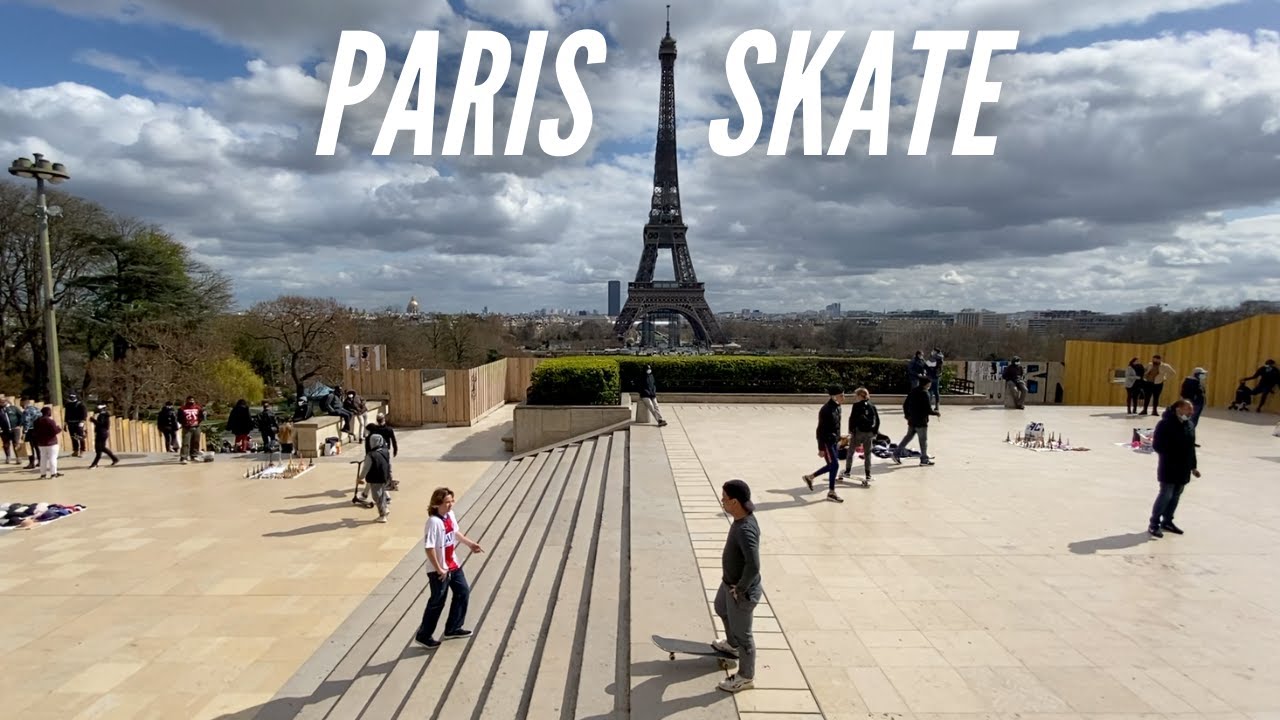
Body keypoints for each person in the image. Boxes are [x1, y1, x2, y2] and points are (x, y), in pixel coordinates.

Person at [415, 487, 483, 648]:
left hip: (453, 564)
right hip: (439, 569)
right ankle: (424, 635)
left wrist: (470, 544)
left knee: (463, 592)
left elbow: (455, 533)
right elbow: (429, 548)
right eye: (447, 502)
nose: (451, 505)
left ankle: (453, 628)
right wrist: (439, 568)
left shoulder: (449, 515)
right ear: (437, 504)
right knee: (437, 601)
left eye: (452, 501)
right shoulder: (433, 522)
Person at [713, 479, 761, 693]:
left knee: (744, 637)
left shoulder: (745, 529)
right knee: (720, 608)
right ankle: (732, 646)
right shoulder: (742, 519)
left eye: (724, 498)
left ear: (734, 502)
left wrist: (740, 588)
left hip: (740, 592)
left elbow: (754, 565)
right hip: (729, 583)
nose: (721, 501)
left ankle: (745, 677)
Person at [1148, 399, 1199, 537]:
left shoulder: (1190, 425)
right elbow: (1157, 446)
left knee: (1176, 496)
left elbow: (1191, 448)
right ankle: (1154, 524)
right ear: (1178, 409)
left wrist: (1193, 466)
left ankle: (1167, 521)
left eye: (1192, 409)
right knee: (1166, 494)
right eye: (1188, 409)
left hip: (1184, 468)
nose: (1191, 412)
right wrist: (1173, 454)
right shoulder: (1165, 424)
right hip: (1169, 466)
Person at [802, 385, 845, 503]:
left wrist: (840, 438)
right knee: (834, 465)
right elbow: (820, 430)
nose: (843, 398)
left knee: (832, 466)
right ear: (834, 397)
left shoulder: (838, 407)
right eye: (841, 395)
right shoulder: (826, 410)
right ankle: (830, 491)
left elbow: (837, 425)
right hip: (827, 442)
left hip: (834, 441)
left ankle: (811, 478)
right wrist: (821, 448)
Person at [895, 374, 939, 466]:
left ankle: (896, 453)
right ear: (926, 384)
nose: (930, 385)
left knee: (908, 437)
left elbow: (905, 405)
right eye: (929, 383)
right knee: (923, 440)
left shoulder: (913, 391)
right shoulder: (925, 393)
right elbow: (927, 409)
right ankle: (924, 459)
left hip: (912, 420)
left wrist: (907, 415)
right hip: (921, 421)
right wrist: (936, 413)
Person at [841, 387, 880, 485]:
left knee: (851, 452)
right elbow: (877, 420)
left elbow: (852, 418)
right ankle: (868, 474)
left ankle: (847, 471)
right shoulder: (872, 405)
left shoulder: (856, 405)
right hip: (869, 433)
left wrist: (851, 430)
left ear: (860, 396)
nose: (855, 397)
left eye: (856, 395)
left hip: (858, 433)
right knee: (867, 454)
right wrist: (874, 432)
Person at [357, 434, 393, 522]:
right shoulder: (385, 451)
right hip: (385, 476)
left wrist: (360, 478)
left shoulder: (370, 455)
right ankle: (385, 509)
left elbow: (366, 468)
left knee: (376, 496)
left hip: (375, 477)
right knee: (382, 494)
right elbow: (388, 463)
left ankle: (382, 515)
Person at [30, 406, 62, 478]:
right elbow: (54, 431)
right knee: (53, 458)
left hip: (41, 443)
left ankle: (43, 474)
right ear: (49, 412)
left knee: (43, 459)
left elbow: (35, 432)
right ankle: (53, 474)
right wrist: (59, 428)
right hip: (51, 442)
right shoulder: (50, 421)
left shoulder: (36, 421)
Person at [88, 404, 119, 468]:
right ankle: (114, 459)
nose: (97, 410)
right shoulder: (103, 415)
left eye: (99, 409)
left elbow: (101, 425)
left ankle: (95, 463)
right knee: (102, 448)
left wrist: (93, 420)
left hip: (101, 433)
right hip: (101, 433)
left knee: (99, 449)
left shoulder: (103, 415)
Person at [178, 396, 205, 464]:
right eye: (189, 400)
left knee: (196, 442)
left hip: (196, 427)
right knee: (186, 442)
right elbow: (179, 418)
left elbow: (201, 416)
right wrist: (184, 423)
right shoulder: (182, 408)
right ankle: (184, 457)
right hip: (187, 427)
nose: (191, 401)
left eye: (192, 400)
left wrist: (198, 422)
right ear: (187, 400)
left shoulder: (198, 408)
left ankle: (194, 455)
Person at [64, 393, 88, 458]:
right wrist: (65, 423)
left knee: (80, 437)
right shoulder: (68, 405)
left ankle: (82, 450)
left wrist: (82, 422)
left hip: (78, 423)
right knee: (73, 437)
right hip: (70, 423)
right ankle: (75, 450)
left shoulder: (80, 404)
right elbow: (66, 414)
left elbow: (84, 414)